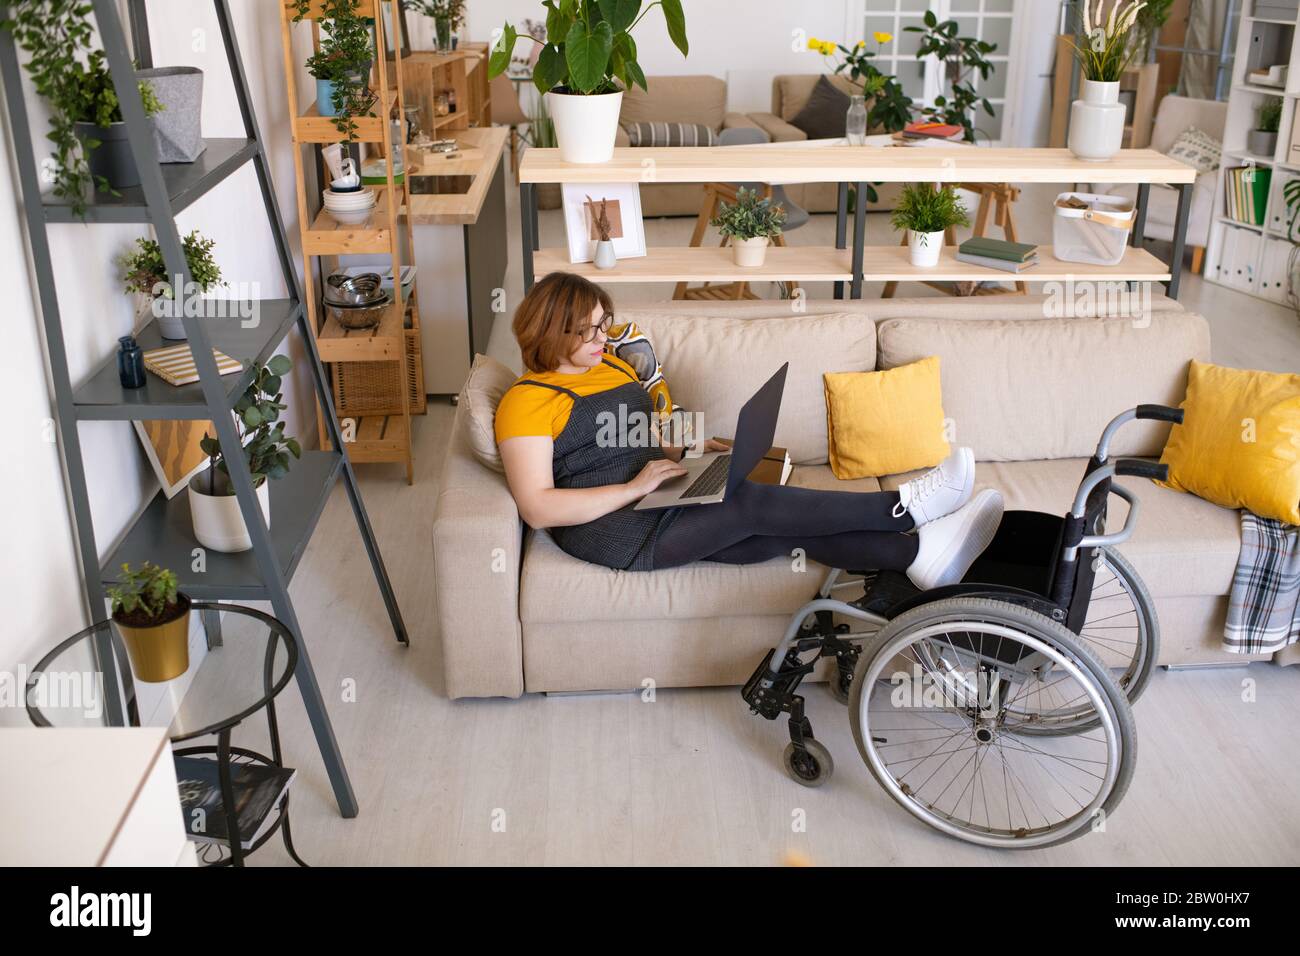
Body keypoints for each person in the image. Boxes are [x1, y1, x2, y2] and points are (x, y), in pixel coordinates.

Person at [494, 272, 1004, 588]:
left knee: (776, 533)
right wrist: (633, 488)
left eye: (605, 323)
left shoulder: (610, 364)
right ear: (551, 331)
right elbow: (538, 508)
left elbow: (635, 433)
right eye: (590, 329)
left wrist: (689, 447)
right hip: (610, 526)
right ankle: (904, 508)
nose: (603, 337)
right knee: (752, 505)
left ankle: (918, 556)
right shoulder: (526, 402)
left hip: (657, 491)